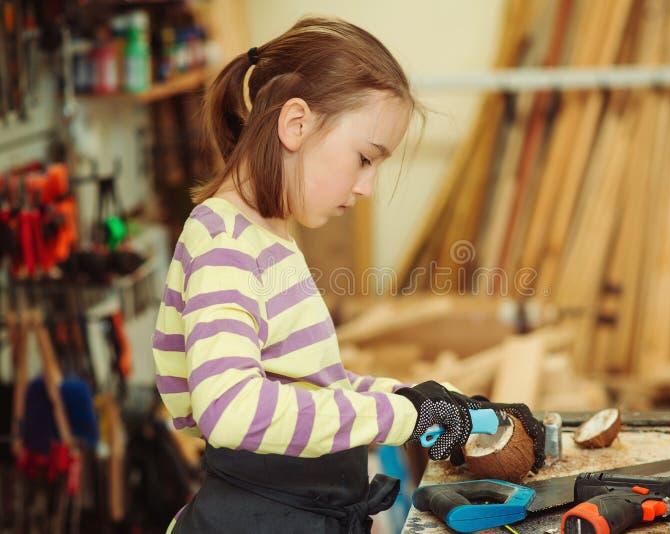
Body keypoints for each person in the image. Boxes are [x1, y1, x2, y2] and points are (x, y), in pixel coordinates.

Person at [152, 17, 543, 534]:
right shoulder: (225, 243)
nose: (367, 187)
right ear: (296, 124)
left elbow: (315, 387)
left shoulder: (268, 237)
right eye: (364, 159)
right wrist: (404, 416)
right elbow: (230, 408)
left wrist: (444, 401)